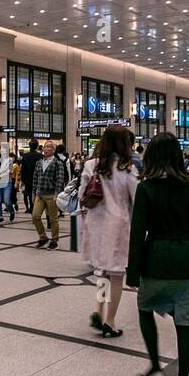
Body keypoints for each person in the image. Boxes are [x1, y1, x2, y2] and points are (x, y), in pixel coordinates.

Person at [127, 133, 189, 376]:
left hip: (156, 261)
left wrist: (133, 271)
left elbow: (138, 234)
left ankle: (154, 366)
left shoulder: (147, 188)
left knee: (144, 308)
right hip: (188, 261)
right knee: (185, 321)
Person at [81, 126, 139, 338]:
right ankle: (110, 321)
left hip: (96, 224)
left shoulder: (90, 165)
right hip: (118, 226)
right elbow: (137, 198)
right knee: (116, 274)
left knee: (102, 271)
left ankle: (98, 309)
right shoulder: (127, 168)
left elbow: (82, 195)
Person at [30, 140, 68, 249]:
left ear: (54, 150)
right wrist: (33, 193)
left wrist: (57, 194)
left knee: (53, 219)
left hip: (51, 195)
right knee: (35, 216)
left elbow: (60, 180)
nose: (46, 149)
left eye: (49, 147)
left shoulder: (58, 163)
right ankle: (43, 237)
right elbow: (35, 179)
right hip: (39, 194)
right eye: (45, 147)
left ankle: (54, 240)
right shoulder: (39, 162)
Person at [0, 150, 16, 226]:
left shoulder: (10, 160)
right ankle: (1, 217)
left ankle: (12, 211)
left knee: (6, 200)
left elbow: (9, 172)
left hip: (7, 183)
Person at [20, 140, 42, 214]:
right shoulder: (40, 156)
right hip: (38, 179)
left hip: (28, 180)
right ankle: (35, 211)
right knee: (37, 196)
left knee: (29, 196)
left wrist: (23, 180)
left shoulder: (25, 156)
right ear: (37, 146)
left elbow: (23, 169)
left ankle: (32, 210)